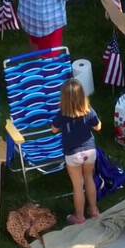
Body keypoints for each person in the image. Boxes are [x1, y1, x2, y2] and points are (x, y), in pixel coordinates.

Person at [50, 79, 101, 225]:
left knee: (78, 185)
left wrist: (61, 127)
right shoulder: (89, 111)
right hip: (90, 151)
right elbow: (98, 127)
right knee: (89, 179)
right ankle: (94, 210)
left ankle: (79, 217)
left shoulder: (62, 114)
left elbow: (53, 129)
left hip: (73, 153)